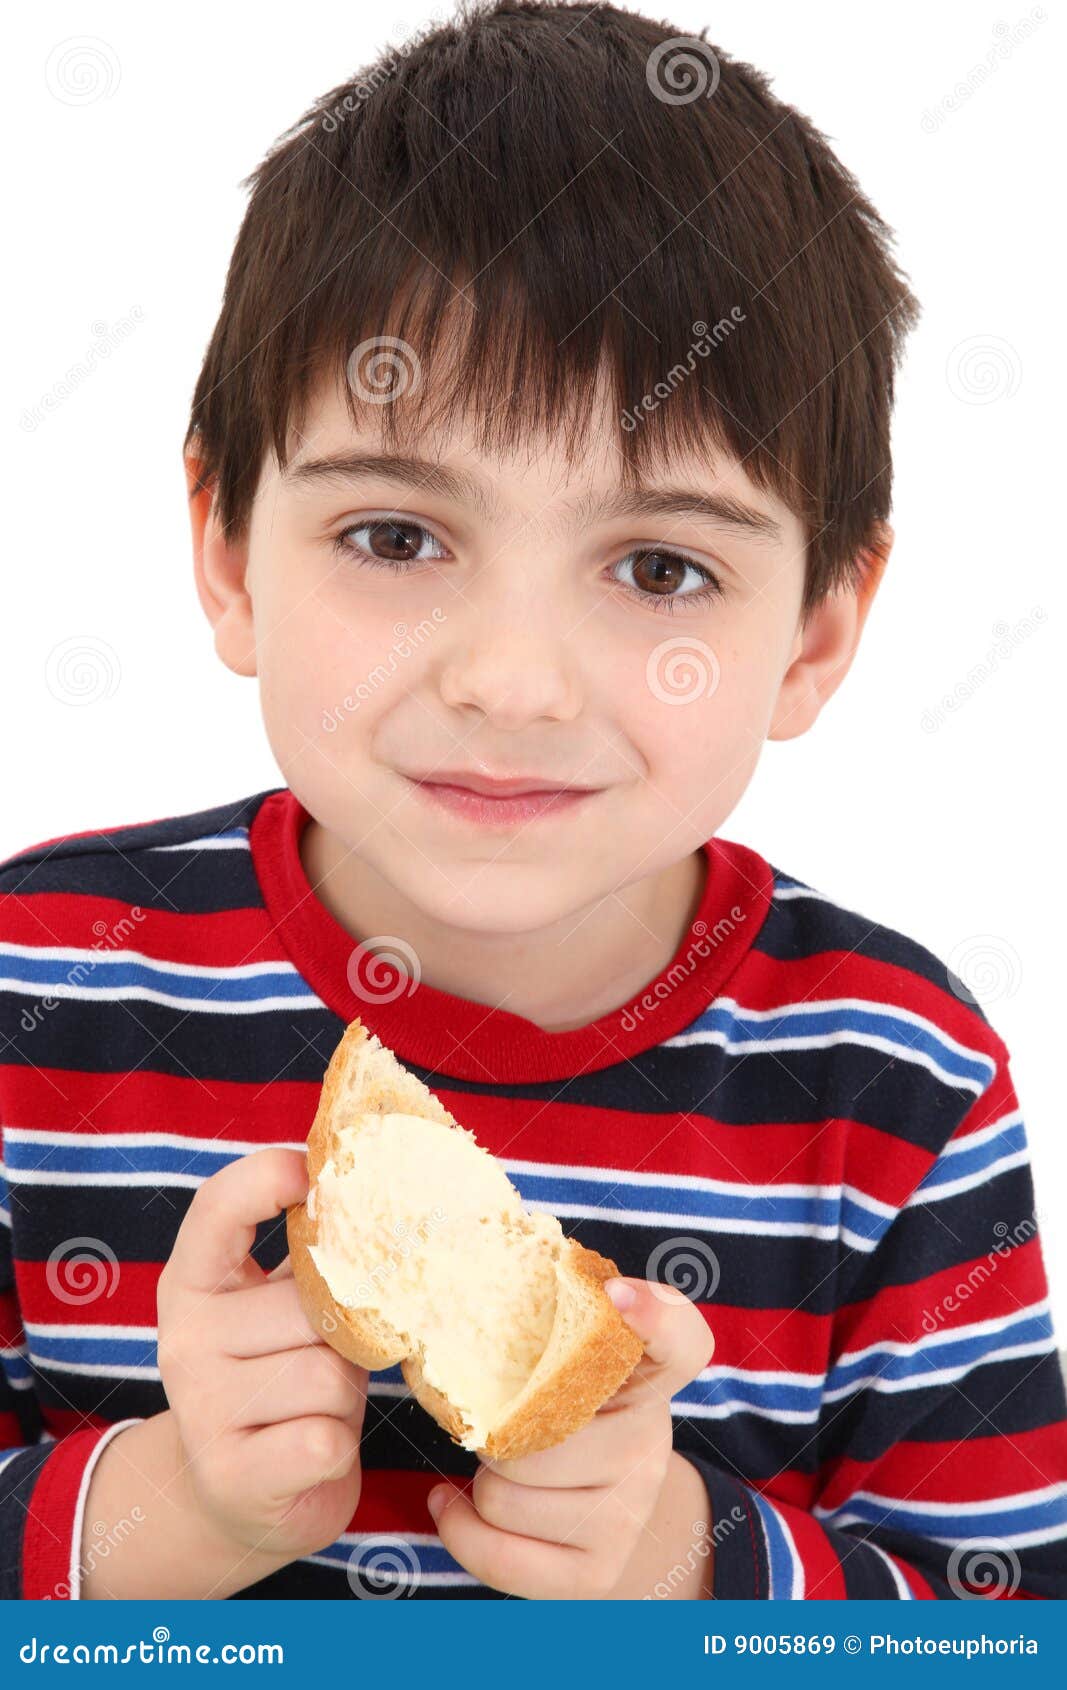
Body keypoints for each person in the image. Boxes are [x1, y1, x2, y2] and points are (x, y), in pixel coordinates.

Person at [2, 0, 1064, 1600]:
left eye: (660, 567)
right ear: (226, 551)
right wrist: (164, 1512)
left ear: (815, 634)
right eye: (396, 537)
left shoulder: (894, 1079)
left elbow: (999, 1627)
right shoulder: (45, 981)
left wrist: (686, 1562)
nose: (512, 681)